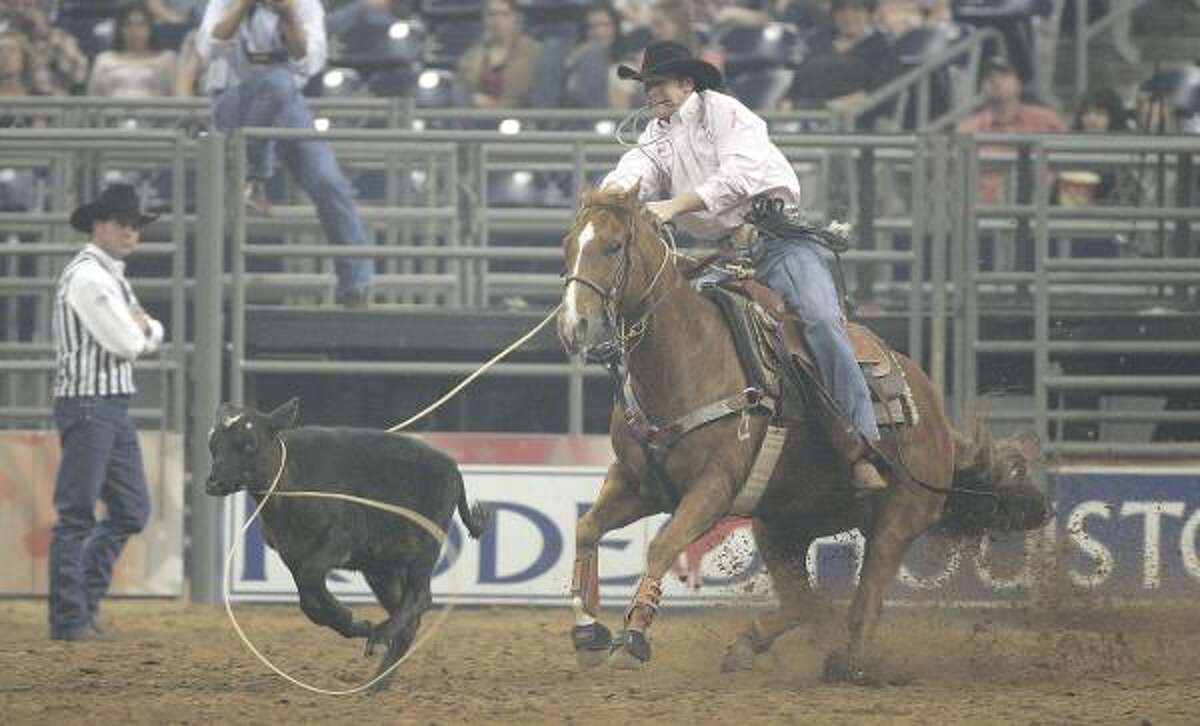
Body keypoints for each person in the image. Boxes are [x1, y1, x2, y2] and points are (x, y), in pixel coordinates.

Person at [600, 40, 886, 491]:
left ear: (686, 83)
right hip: (724, 256)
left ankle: (862, 444)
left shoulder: (726, 114)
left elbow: (741, 176)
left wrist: (673, 206)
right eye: (646, 86)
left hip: (777, 241)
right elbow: (634, 168)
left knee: (820, 320)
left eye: (656, 84)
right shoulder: (656, 134)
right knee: (672, 324)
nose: (650, 93)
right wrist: (610, 199)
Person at [196, 0, 374, 307]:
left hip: (286, 104)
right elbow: (207, 49)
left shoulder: (303, 4)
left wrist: (289, 15)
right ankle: (256, 173)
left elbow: (309, 62)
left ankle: (356, 284)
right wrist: (242, 7)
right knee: (277, 81)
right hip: (233, 102)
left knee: (329, 183)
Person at [47, 183, 164, 641]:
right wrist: (147, 331)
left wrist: (146, 331)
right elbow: (131, 340)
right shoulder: (90, 277)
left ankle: (80, 610)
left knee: (130, 510)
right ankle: (71, 617)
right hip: (92, 404)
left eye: (134, 225)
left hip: (103, 405)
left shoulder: (105, 275)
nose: (131, 232)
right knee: (82, 513)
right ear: (100, 224)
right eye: (123, 223)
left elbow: (147, 331)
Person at [457, 0, 541, 109]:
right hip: (477, 119)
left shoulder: (534, 53)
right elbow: (463, 90)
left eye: (504, 14)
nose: (497, 20)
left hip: (520, 119)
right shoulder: (471, 56)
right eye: (492, 14)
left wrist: (497, 106)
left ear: (515, 17)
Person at [87, 2, 177, 98]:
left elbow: (175, 97)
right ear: (120, 29)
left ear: (150, 28)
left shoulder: (166, 59)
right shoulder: (104, 60)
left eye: (141, 24)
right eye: (128, 24)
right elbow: (93, 98)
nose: (134, 30)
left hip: (155, 112)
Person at [0, 0, 89, 95]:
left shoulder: (59, 38)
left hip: (51, 104)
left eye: (27, 6)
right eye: (15, 5)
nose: (20, 10)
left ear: (39, 8)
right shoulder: (5, 39)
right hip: (11, 104)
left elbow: (78, 75)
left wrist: (44, 36)